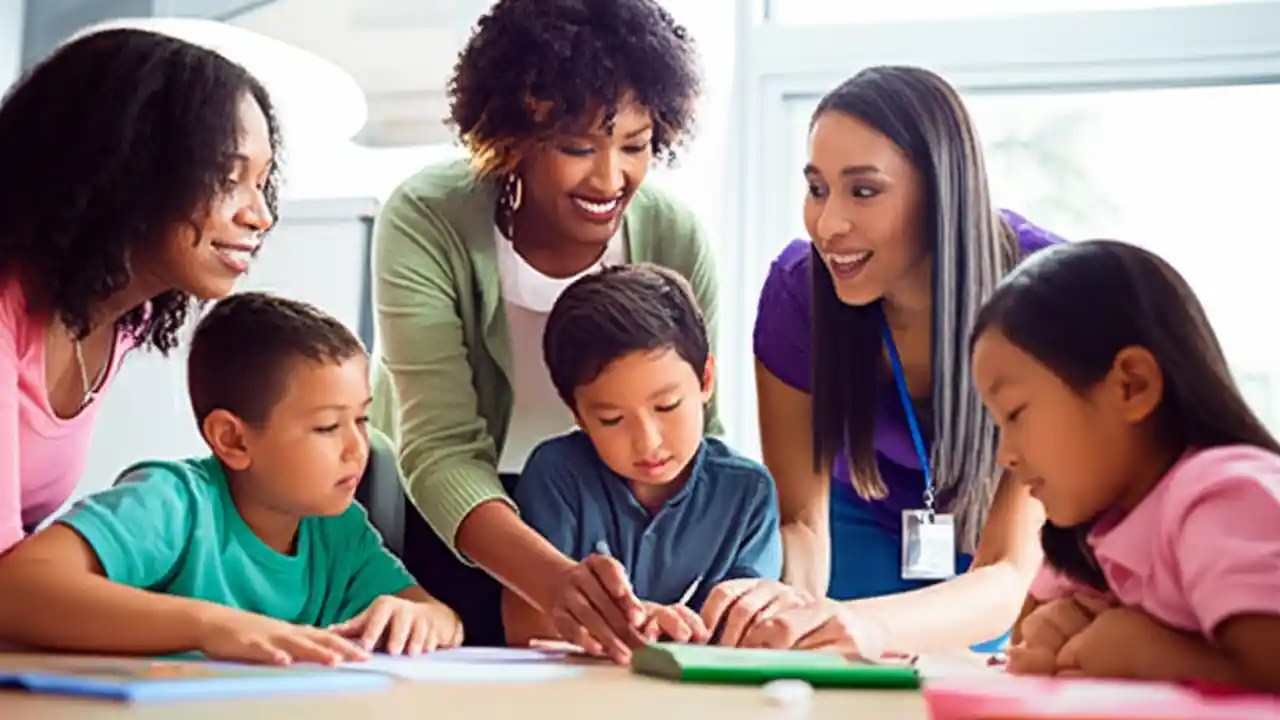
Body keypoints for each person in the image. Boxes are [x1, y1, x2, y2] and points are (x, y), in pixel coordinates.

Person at [370, 0, 717, 656]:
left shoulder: (674, 233)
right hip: (455, 514)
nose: (610, 178)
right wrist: (555, 581)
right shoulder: (427, 218)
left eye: (636, 145)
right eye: (576, 147)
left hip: (619, 510)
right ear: (511, 137)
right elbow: (438, 445)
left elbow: (701, 425)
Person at [739, 66, 1065, 653]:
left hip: (995, 538)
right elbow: (804, 528)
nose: (828, 225)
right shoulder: (796, 293)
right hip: (859, 515)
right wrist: (778, 605)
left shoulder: (1045, 294)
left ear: (942, 192)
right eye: (817, 189)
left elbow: (1009, 572)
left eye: (863, 191)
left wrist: (874, 625)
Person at [0, 293, 463, 665]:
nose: (356, 448)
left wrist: (420, 616)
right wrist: (213, 626)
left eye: (362, 420)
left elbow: (440, 617)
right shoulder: (172, 503)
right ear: (233, 440)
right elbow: (15, 588)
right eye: (327, 427)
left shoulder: (338, 530)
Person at [0, 28, 278, 554]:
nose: (259, 216)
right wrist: (225, 629)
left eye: (261, 182)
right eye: (227, 178)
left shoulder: (123, 317)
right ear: (124, 164)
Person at [971, 240, 1280, 692]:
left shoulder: (1224, 495)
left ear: (1131, 386)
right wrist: (1050, 642)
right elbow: (1026, 640)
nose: (1006, 455)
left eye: (1016, 414)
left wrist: (1153, 656)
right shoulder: (1095, 527)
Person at [502, 264, 782, 650]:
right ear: (577, 414)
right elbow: (523, 624)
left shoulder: (747, 493)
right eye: (611, 419)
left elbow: (752, 629)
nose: (647, 443)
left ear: (705, 381)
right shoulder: (558, 475)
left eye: (667, 406)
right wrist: (639, 622)